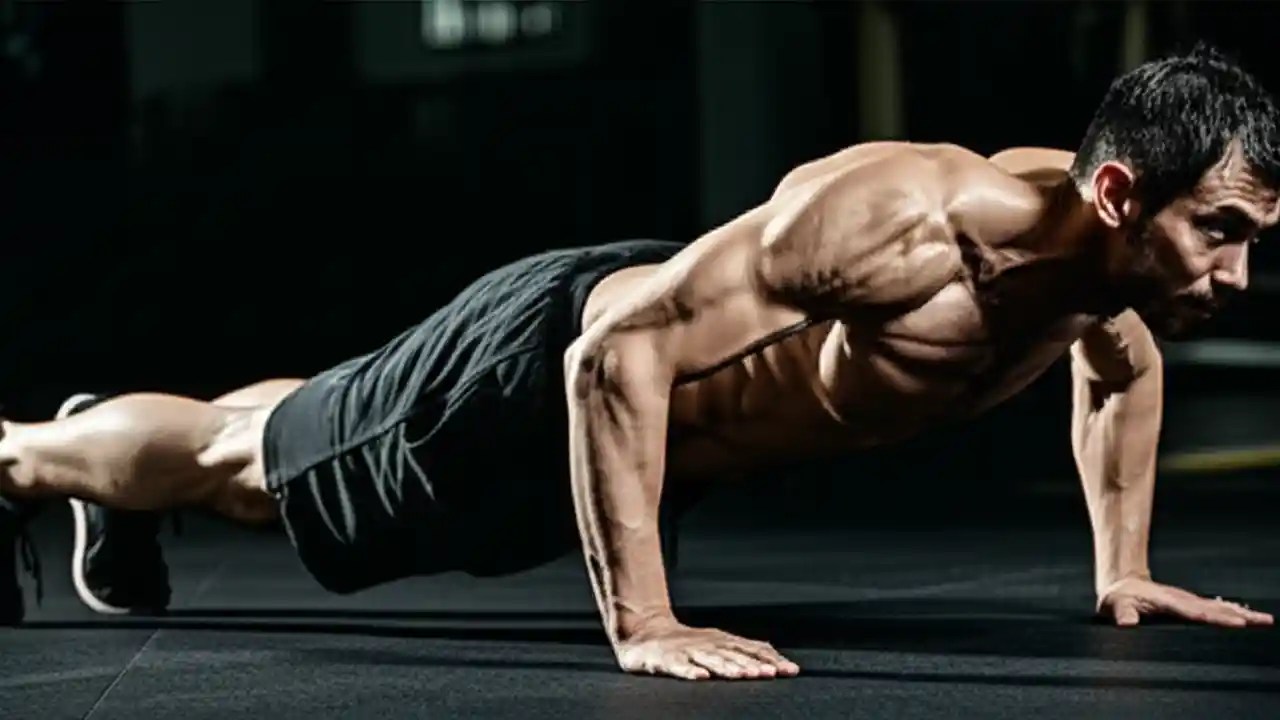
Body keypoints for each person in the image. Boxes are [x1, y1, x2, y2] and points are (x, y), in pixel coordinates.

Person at [2, 44, 1277, 681]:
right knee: (252, 472)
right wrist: (645, 623)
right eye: (1217, 234)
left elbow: (1120, 372)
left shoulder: (1092, 279)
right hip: (540, 369)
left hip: (637, 405)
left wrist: (1125, 571)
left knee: (313, 429)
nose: (1233, 276)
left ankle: (97, 441)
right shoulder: (906, 223)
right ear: (1115, 190)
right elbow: (615, 358)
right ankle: (32, 455)